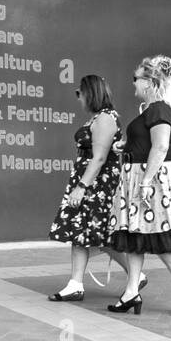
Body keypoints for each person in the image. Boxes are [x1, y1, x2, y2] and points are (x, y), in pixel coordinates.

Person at [109, 55, 171, 316]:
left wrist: (145, 182)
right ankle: (131, 291)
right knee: (134, 237)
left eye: (136, 79)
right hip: (143, 177)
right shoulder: (152, 110)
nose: (133, 84)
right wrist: (126, 146)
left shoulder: (159, 110)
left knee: (161, 239)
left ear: (150, 82)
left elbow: (161, 146)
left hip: (151, 180)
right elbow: (150, 144)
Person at [47, 74, 130, 302]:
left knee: (98, 235)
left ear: (90, 93)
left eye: (79, 93)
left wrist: (82, 186)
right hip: (92, 183)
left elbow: (100, 157)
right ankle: (75, 284)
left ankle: (135, 275)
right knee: (83, 233)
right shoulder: (99, 118)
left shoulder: (105, 119)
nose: (78, 98)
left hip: (97, 185)